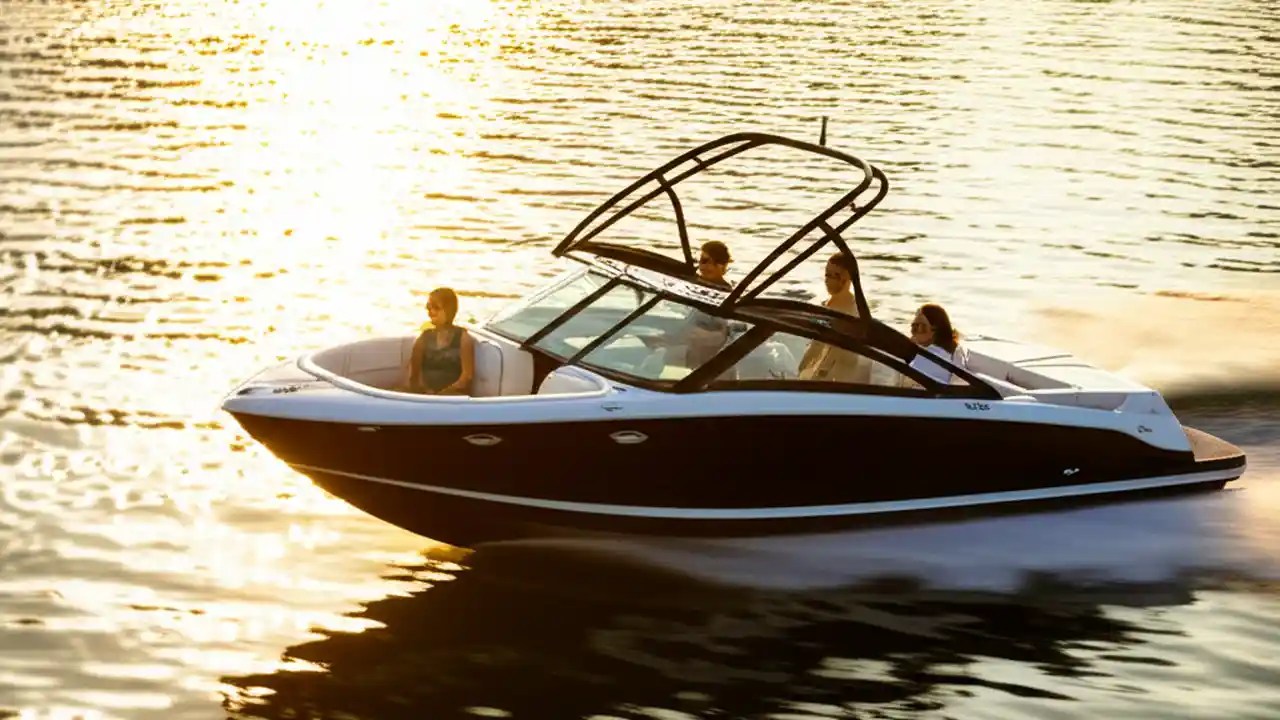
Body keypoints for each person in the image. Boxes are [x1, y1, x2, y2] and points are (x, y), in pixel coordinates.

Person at [797, 252, 872, 383]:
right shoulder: (825, 304)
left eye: (835, 276)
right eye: (827, 275)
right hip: (820, 374)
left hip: (837, 382)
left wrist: (801, 371)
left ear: (848, 278)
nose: (828, 280)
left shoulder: (851, 314)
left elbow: (823, 350)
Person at [402, 287, 475, 395]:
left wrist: (442, 394)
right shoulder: (424, 338)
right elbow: (414, 374)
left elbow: (466, 377)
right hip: (425, 393)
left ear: (449, 310)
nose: (431, 312)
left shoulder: (463, 339)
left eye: (436, 307)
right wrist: (425, 390)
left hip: (452, 395)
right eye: (428, 307)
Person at [907, 303, 969, 385]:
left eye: (920, 327)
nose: (913, 332)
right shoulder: (952, 350)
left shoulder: (930, 357)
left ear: (935, 330)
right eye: (913, 327)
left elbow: (904, 381)